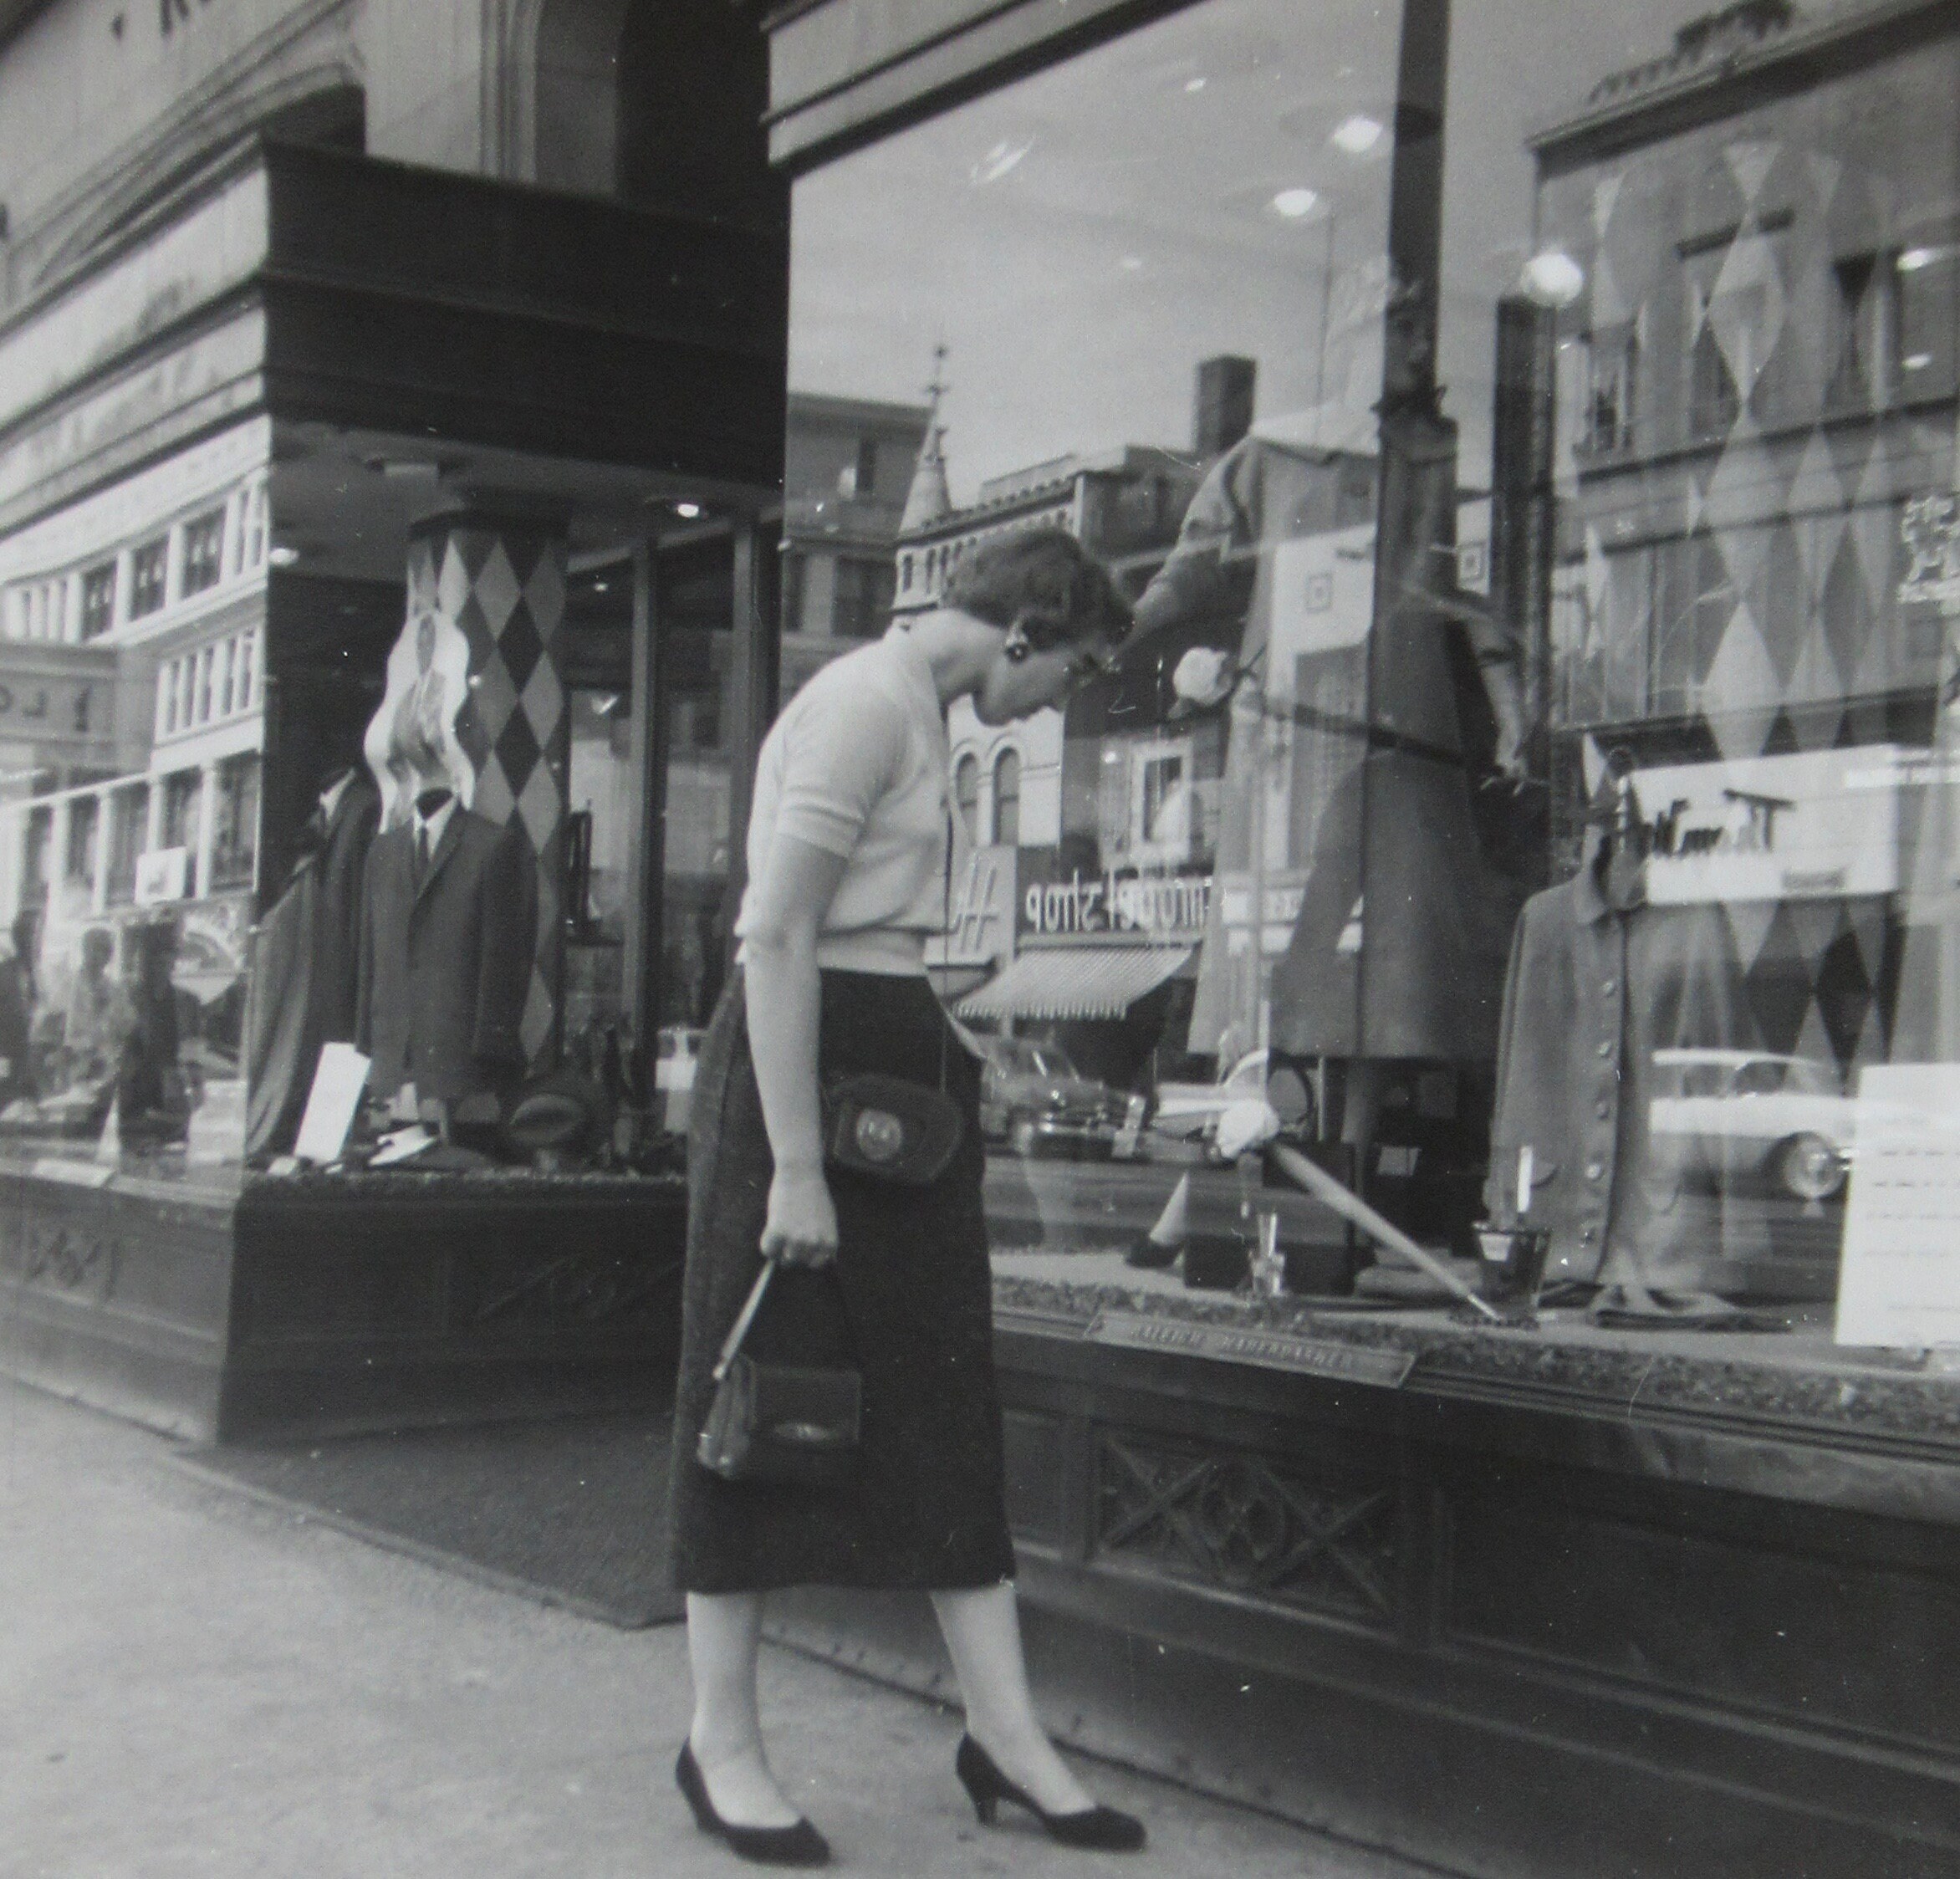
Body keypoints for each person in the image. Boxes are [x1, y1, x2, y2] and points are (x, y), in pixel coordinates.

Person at [668, 530, 1146, 1867]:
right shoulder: (867, 708)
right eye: (1065, 674)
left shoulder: (918, 712)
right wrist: (800, 1167)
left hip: (884, 1066)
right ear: (1020, 635)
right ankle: (723, 1745)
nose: (1055, 704)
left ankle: (1005, 1738)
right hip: (801, 1086)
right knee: (756, 1402)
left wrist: (946, 1034)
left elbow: (864, 929)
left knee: (943, 1404)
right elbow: (775, 933)